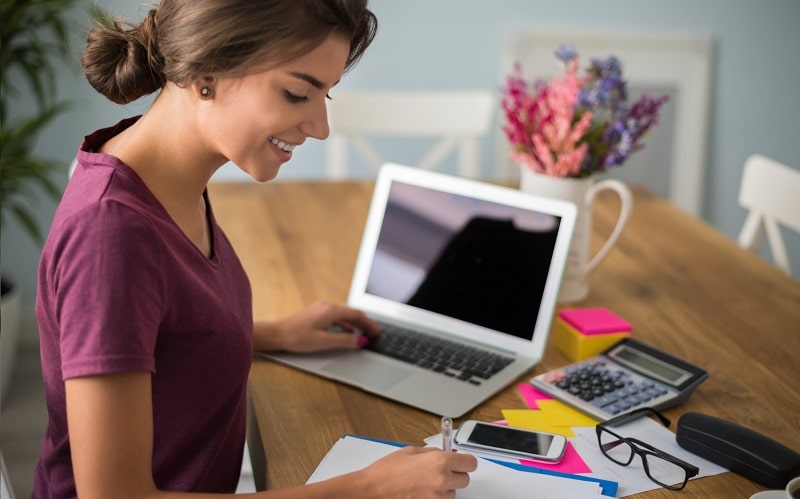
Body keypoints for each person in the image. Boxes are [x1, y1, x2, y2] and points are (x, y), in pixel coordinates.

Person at [33, 1, 478, 497]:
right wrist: (368, 487)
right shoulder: (112, 236)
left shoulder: (163, 178)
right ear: (207, 75)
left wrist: (267, 333)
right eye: (297, 93)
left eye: (325, 95)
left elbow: (158, 329)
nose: (321, 126)